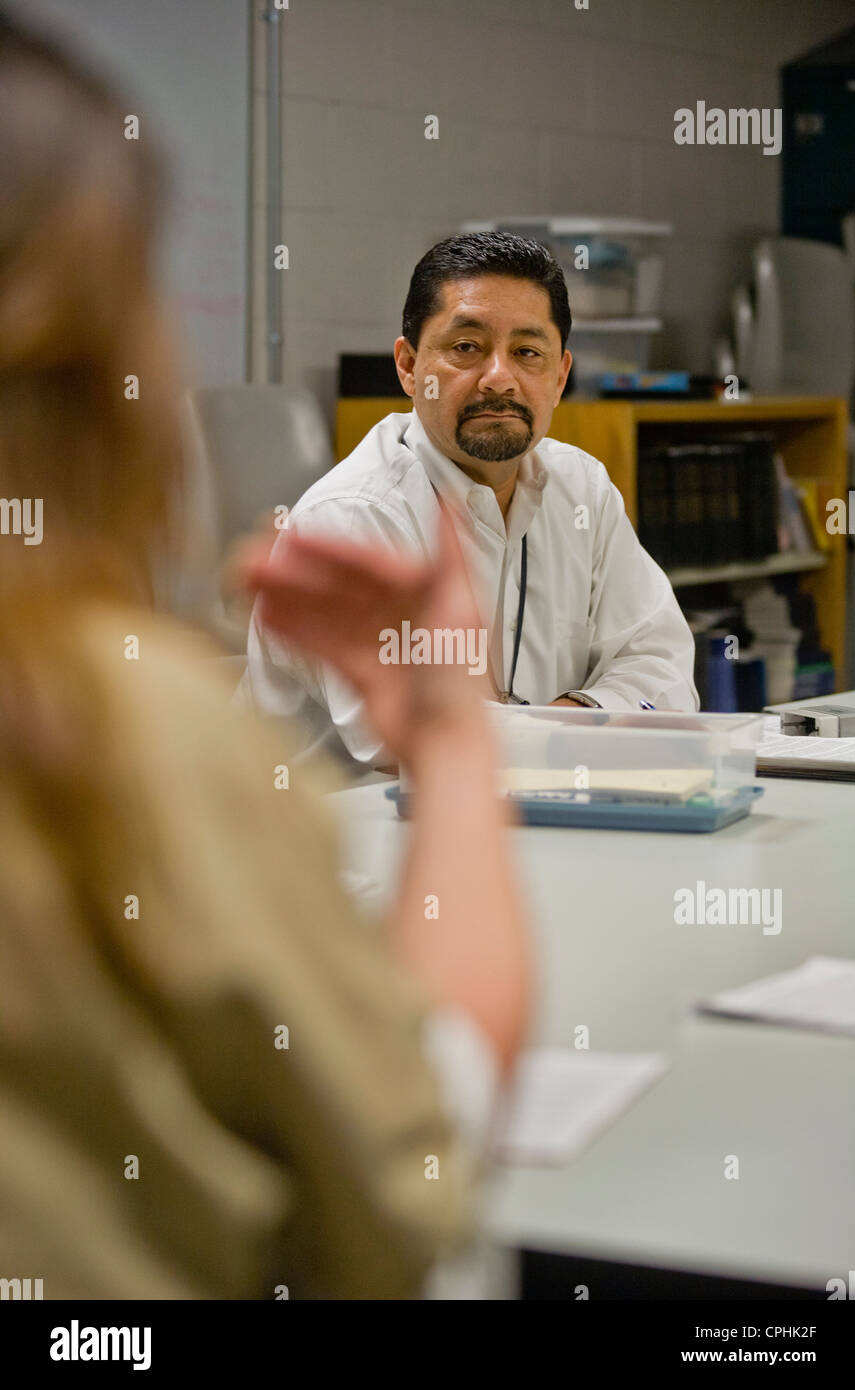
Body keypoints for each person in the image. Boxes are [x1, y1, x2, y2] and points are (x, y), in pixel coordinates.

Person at [0, 10, 531, 1299]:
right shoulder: (104, 722)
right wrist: (450, 739)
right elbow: (411, 1169)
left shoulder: (576, 488)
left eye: (527, 351)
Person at [244, 232, 699, 772]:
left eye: (527, 352)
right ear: (409, 367)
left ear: (559, 376)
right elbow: (412, 741)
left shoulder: (583, 489)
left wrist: (569, 717)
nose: (499, 378)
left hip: (531, 812)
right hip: (346, 832)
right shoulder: (352, 515)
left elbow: (662, 669)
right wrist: (583, 731)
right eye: (466, 348)